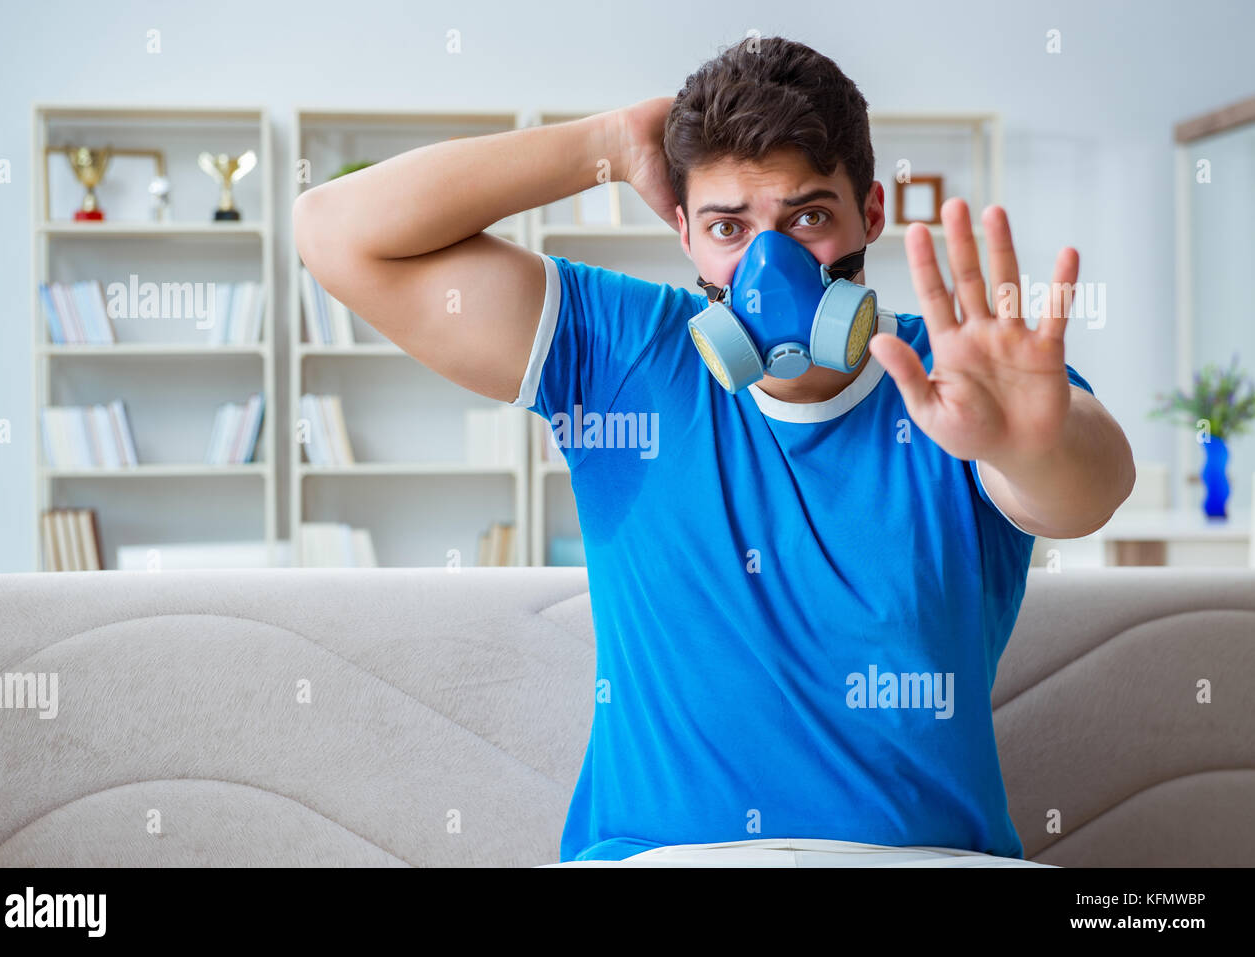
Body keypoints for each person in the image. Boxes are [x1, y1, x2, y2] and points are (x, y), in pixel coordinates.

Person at [293, 35, 1135, 867]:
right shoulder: (618, 355)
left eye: (807, 216)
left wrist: (1033, 442)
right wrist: (609, 144)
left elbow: (1087, 491)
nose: (768, 263)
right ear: (685, 237)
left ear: (869, 213)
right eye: (728, 226)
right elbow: (334, 231)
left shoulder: (964, 383)